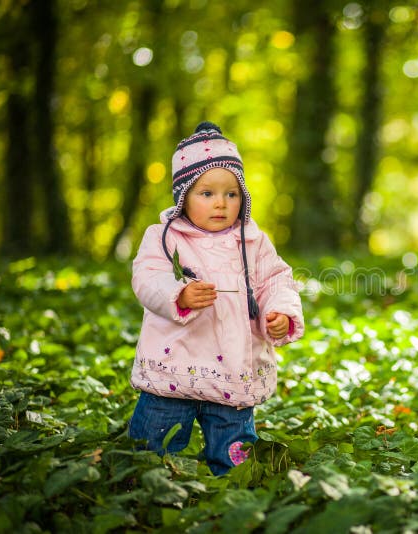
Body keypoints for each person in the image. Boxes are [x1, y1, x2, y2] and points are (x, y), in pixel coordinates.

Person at [127, 121, 304, 475]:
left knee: (234, 443)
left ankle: (231, 482)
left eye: (232, 194)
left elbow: (276, 279)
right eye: (206, 193)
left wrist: (279, 311)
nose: (221, 203)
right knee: (155, 441)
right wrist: (178, 293)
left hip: (233, 371)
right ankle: (147, 481)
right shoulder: (165, 237)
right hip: (174, 365)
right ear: (183, 197)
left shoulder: (253, 241)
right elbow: (147, 277)